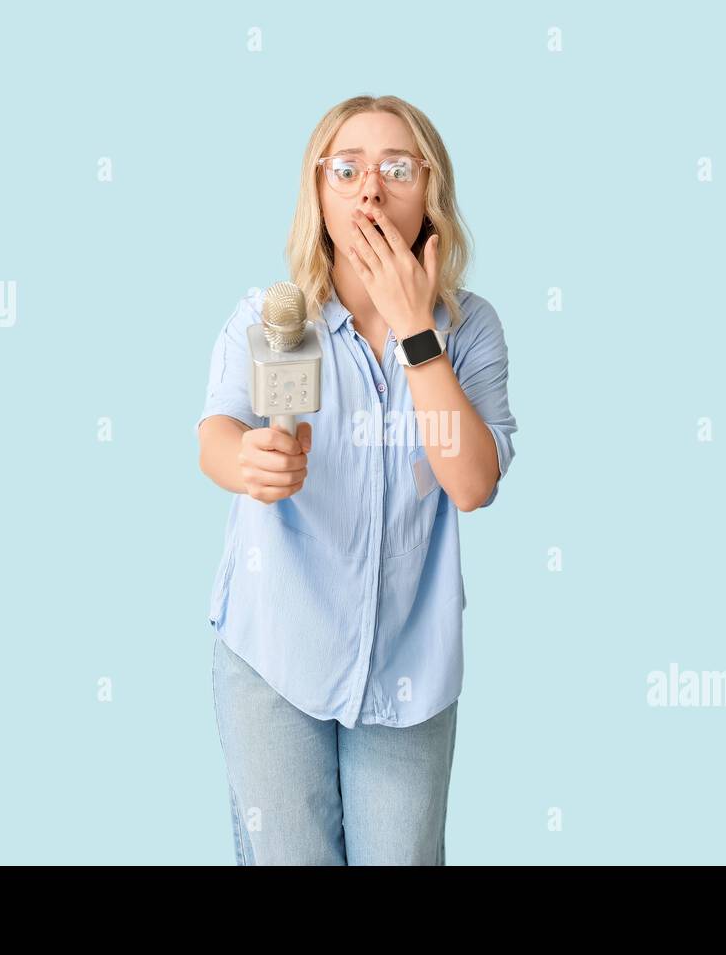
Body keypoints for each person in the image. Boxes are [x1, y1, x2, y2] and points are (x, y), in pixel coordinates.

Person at [196, 94, 517, 865]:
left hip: (410, 670)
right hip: (274, 654)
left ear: (430, 194)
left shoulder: (471, 332)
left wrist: (416, 333)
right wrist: (246, 462)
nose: (371, 188)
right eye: (348, 169)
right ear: (320, 191)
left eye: (397, 168)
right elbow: (215, 432)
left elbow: (471, 483)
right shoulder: (270, 318)